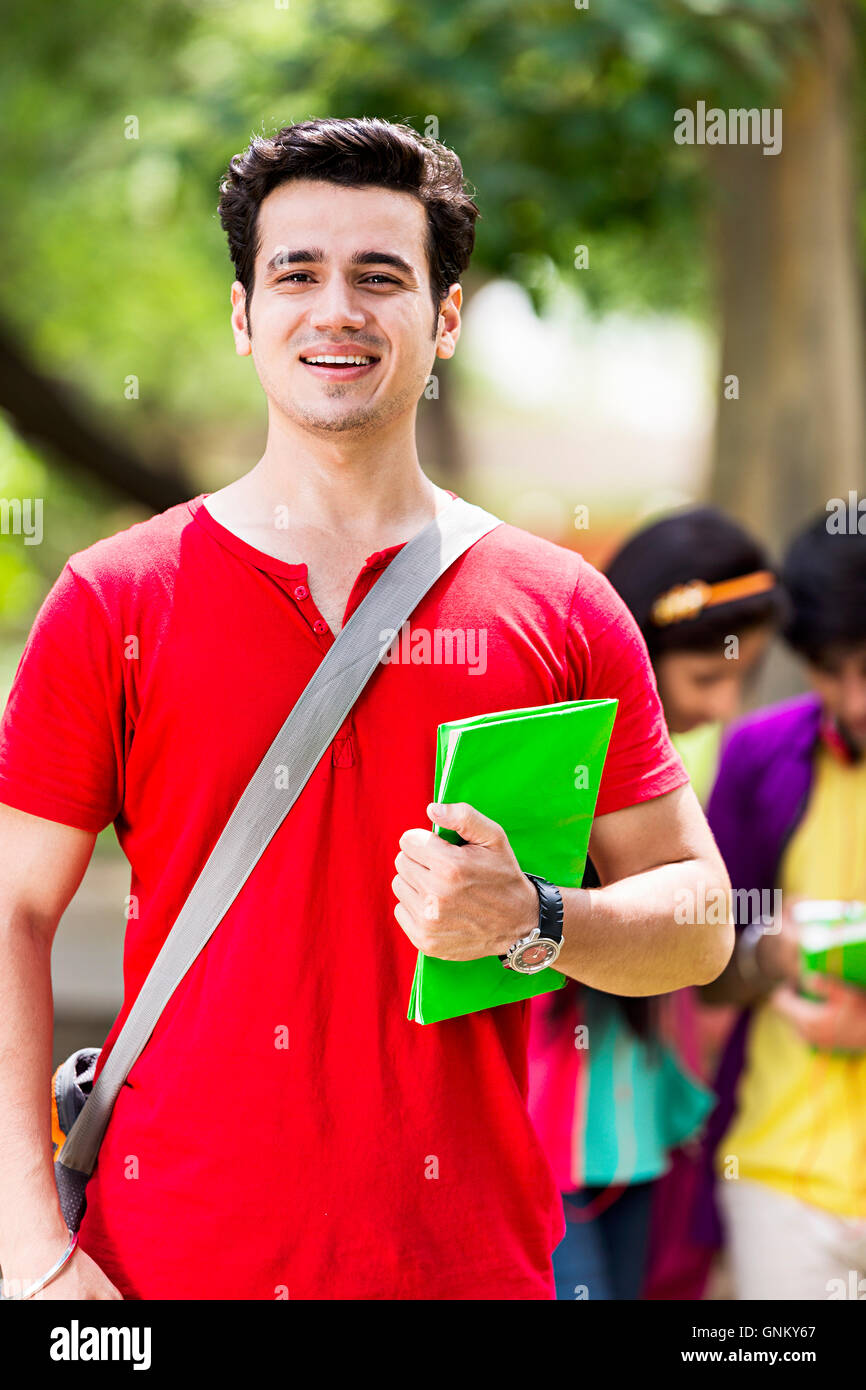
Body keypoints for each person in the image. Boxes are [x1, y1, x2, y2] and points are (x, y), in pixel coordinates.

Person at [0, 118, 732, 1302]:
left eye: (381, 276)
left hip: (467, 1269)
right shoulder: (112, 599)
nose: (335, 308)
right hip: (151, 1275)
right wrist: (30, 1253)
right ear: (243, 316)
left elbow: (697, 917)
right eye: (296, 273)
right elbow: (12, 918)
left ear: (443, 319)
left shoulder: (561, 608)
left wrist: (538, 916)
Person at [527, 506, 783, 1300]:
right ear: (639, 651)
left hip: (630, 1123)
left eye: (743, 678)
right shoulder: (555, 765)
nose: (726, 707)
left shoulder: (676, 777)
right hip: (541, 1130)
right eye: (708, 678)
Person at [699, 514, 866, 1299]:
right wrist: (768, 951)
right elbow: (702, 966)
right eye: (834, 671)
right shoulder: (760, 755)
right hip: (780, 1186)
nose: (857, 699)